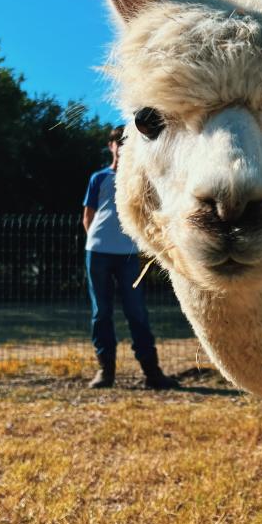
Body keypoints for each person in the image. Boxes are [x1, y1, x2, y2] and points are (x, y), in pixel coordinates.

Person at [82, 126, 176, 389]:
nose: (122, 146)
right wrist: (97, 240)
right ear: (111, 146)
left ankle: (152, 372)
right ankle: (105, 372)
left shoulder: (142, 177)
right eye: (118, 142)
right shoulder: (98, 178)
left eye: (127, 141)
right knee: (101, 313)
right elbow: (88, 216)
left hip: (129, 256)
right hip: (98, 253)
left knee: (136, 312)